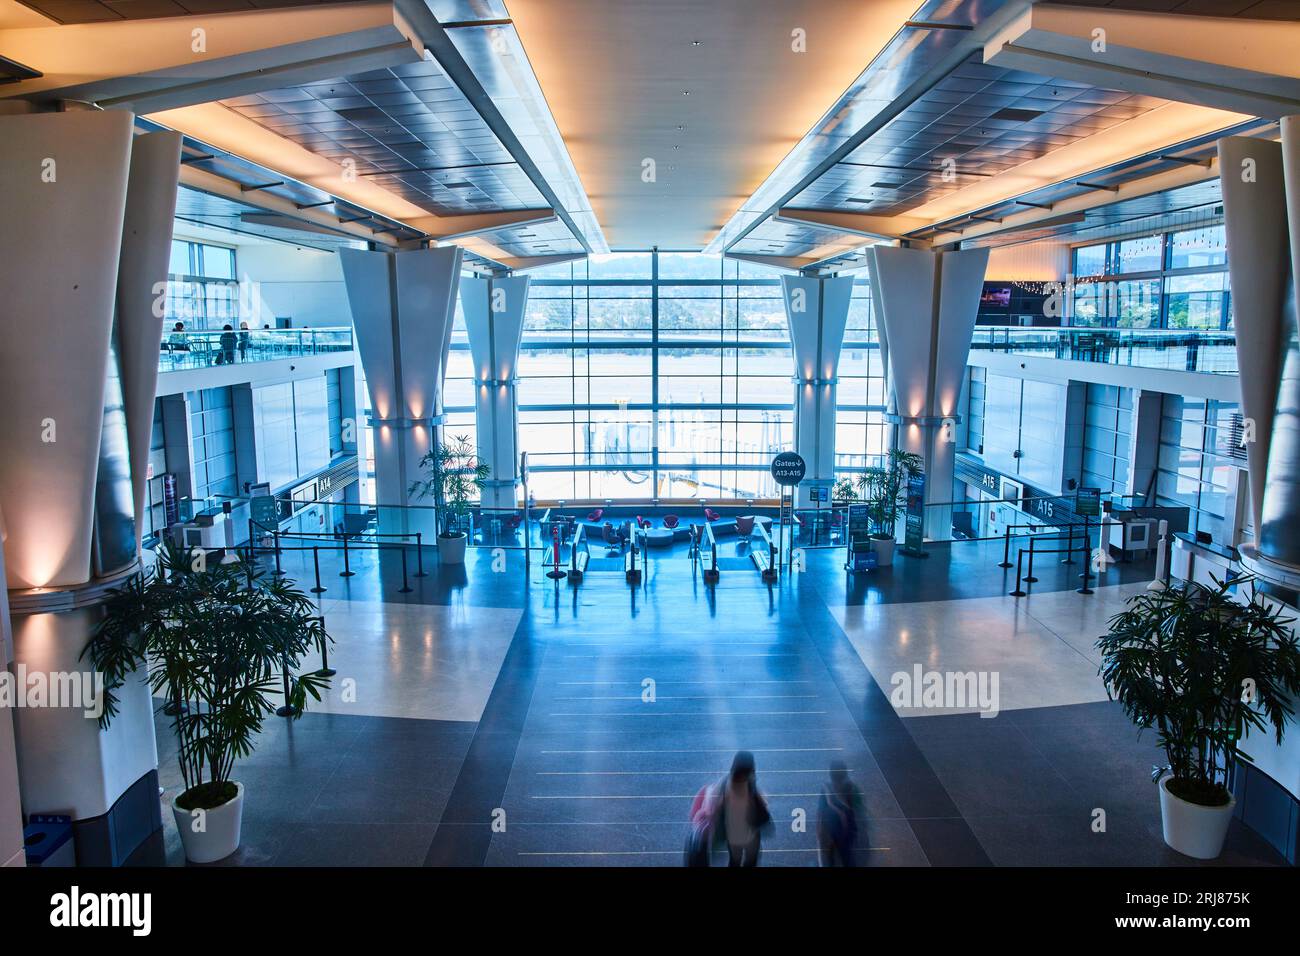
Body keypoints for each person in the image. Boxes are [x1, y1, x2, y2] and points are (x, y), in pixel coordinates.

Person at [712, 751, 771, 867]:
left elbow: (717, 806)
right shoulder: (750, 785)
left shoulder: (725, 783)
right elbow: (762, 803)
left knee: (734, 860)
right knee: (751, 860)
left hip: (732, 836)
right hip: (751, 835)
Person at [817, 760, 863, 867]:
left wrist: (819, 830)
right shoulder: (851, 788)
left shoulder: (826, 788)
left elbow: (820, 811)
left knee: (830, 859)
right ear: (845, 774)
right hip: (846, 831)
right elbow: (858, 809)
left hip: (830, 830)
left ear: (830, 774)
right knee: (847, 857)